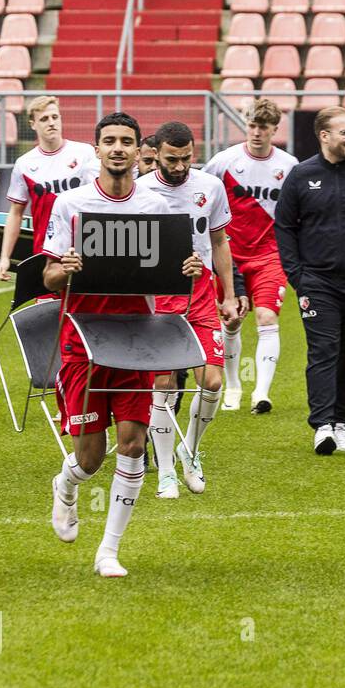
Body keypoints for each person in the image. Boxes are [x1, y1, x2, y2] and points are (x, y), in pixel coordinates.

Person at [42, 112, 203, 578]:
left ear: (140, 152)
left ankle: (108, 552)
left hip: (136, 340)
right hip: (84, 344)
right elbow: (49, 277)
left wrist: (189, 271)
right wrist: (65, 267)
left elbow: (176, 273)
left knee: (132, 447)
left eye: (126, 142)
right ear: (95, 149)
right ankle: (66, 485)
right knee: (90, 459)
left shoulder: (157, 206)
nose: (117, 148)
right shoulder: (70, 204)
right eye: (109, 140)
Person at [275, 107, 345, 455]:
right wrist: (298, 276)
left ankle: (343, 420)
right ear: (324, 136)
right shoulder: (300, 175)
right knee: (324, 351)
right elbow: (285, 227)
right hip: (318, 283)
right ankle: (323, 424)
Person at [137, 121, 239, 498]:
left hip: (200, 297)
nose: (179, 166)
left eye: (185, 158)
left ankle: (189, 450)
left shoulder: (210, 187)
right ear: (156, 155)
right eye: (171, 159)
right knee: (163, 384)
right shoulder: (142, 191)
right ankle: (165, 471)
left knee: (212, 381)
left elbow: (220, 241)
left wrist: (228, 294)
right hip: (158, 300)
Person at [203, 98, 298, 413]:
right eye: (252, 126)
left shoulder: (289, 166)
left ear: (274, 129)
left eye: (263, 127)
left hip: (270, 255)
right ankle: (233, 386)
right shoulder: (223, 161)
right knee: (231, 321)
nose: (256, 132)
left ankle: (262, 393)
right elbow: (202, 198)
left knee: (267, 317)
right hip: (229, 255)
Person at [0, 95, 100, 282]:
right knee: (46, 308)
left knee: (83, 307)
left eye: (55, 117)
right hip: (46, 250)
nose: (51, 122)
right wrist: (5, 256)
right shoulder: (24, 164)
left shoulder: (85, 153)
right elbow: (15, 213)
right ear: (32, 124)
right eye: (44, 119)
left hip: (85, 248)